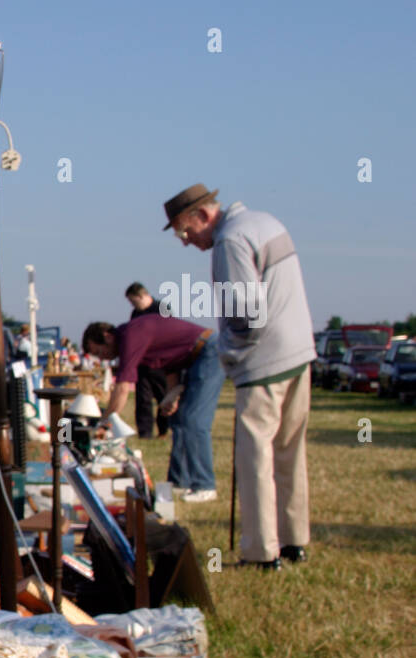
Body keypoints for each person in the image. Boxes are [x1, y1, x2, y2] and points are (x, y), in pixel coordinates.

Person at [163, 183, 315, 569]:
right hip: (298, 352)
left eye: (184, 231)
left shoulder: (229, 240)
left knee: (255, 459)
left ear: (203, 216)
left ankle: (261, 552)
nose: (186, 242)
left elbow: (246, 314)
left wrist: (230, 354)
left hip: (264, 362)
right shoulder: (264, 222)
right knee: (290, 451)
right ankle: (294, 539)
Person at [82, 309, 222, 503]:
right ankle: (179, 483)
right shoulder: (132, 337)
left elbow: (123, 387)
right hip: (191, 359)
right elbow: (170, 362)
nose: (103, 358)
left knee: (194, 421)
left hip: (208, 351)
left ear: (107, 336)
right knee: (179, 421)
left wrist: (105, 421)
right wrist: (171, 396)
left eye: (99, 351)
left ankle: (205, 485)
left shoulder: (130, 336)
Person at [124, 282, 172, 439]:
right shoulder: (135, 314)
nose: (132, 305)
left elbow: (169, 331)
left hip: (160, 362)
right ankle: (145, 433)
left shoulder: (162, 308)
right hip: (143, 362)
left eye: (133, 301)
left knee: (163, 397)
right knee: (143, 399)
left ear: (141, 296)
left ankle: (163, 430)